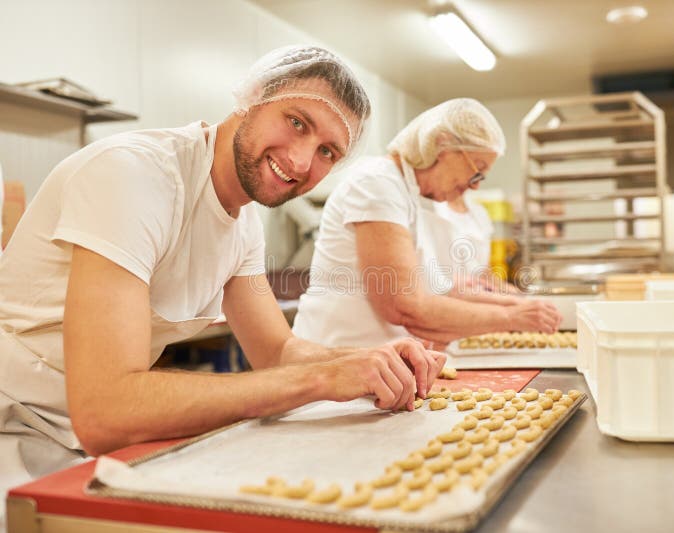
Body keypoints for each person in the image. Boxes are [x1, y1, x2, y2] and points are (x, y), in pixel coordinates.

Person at [0, 45, 445, 525]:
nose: (300, 161)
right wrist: (321, 379)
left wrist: (370, 361)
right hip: (12, 429)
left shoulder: (243, 225)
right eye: (296, 122)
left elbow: (276, 350)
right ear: (253, 98)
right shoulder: (134, 175)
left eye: (327, 152)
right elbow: (106, 410)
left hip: (76, 446)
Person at [292, 98, 562, 349]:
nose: (476, 186)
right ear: (443, 145)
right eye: (476, 170)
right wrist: (513, 316)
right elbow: (404, 306)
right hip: (335, 363)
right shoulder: (377, 183)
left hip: (379, 370)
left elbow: (445, 293)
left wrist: (520, 305)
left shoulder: (415, 198)